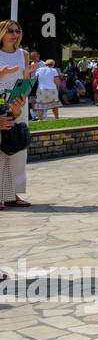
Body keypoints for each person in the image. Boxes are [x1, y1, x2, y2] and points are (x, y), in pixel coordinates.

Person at [0, 20, 32, 209]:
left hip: (19, 102)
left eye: (17, 30)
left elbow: (25, 79)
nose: (14, 34)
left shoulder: (23, 54)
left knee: (17, 147)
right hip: (0, 101)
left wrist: (25, 91)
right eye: (10, 30)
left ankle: (12, 193)